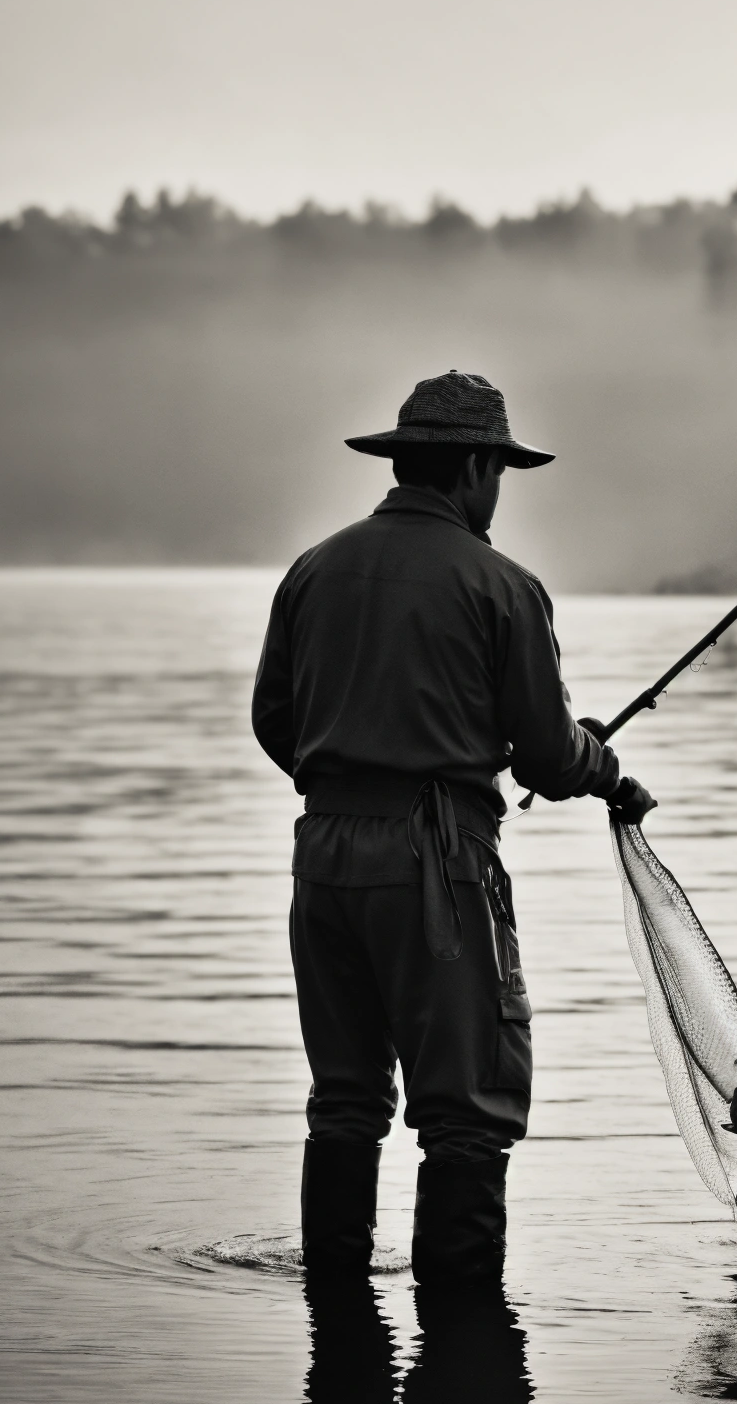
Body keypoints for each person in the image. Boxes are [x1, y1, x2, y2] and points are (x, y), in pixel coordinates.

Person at [252, 369, 656, 1286]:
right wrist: (607, 770)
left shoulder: (312, 570)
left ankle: (335, 1312)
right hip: (437, 866)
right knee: (469, 1110)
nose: (498, 490)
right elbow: (549, 756)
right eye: (500, 471)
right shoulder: (503, 586)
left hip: (322, 859)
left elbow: (275, 722)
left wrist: (352, 777)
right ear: (475, 466)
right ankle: (464, 1325)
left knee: (345, 1099)